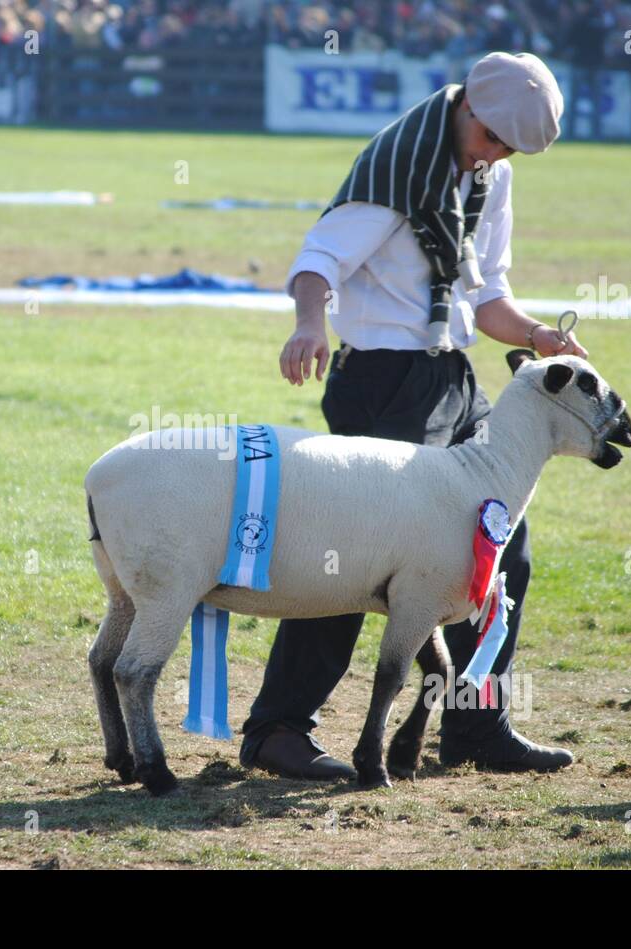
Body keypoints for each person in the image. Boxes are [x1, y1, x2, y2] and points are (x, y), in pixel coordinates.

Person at [242, 52, 585, 781]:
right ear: (466, 106)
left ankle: (476, 725)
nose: (493, 154)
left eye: (507, 148)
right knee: (354, 559)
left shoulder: (492, 174)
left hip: (452, 379)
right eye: (490, 136)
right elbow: (317, 260)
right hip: (382, 379)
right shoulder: (394, 168)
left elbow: (486, 297)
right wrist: (310, 324)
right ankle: (277, 728)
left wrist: (536, 337)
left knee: (502, 547)